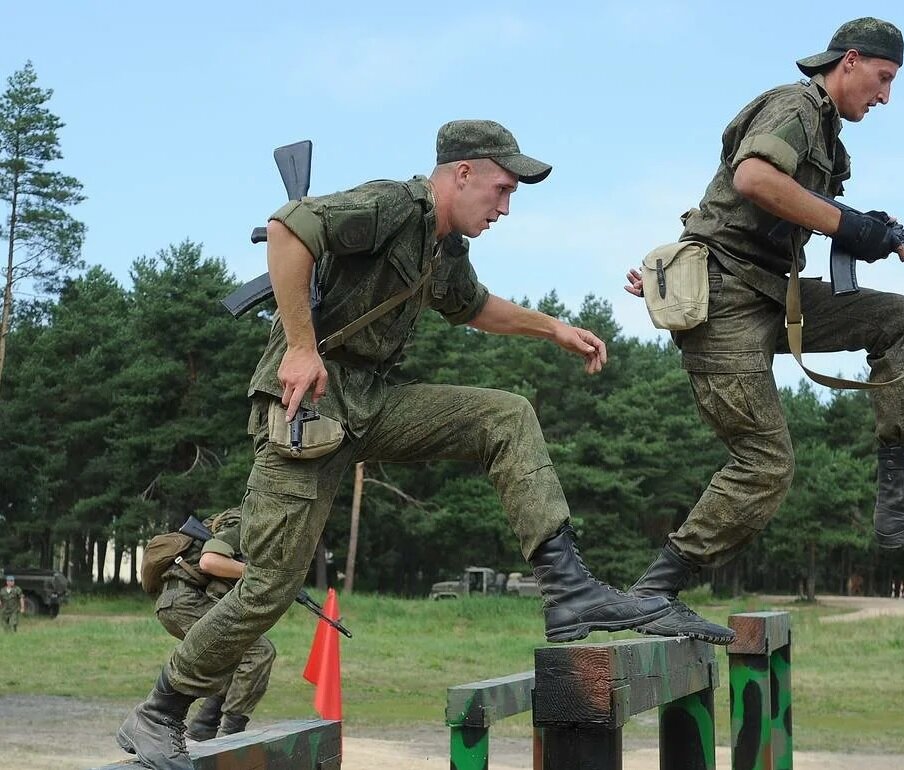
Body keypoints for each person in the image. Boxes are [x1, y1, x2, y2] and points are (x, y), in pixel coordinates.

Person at [117, 119, 670, 769]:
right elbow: (290, 228)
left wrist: (553, 329)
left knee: (507, 416)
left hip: (372, 404)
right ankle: (158, 713)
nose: (505, 207)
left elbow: (472, 306)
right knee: (267, 588)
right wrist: (299, 345)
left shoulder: (445, 247)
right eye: (500, 189)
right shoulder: (390, 205)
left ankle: (568, 585)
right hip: (308, 408)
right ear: (461, 174)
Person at [624, 18, 904, 644]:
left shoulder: (827, 135)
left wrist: (866, 228)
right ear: (849, 62)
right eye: (883, 80)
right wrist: (847, 227)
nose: (885, 98)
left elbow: (798, 210)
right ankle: (654, 592)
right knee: (766, 464)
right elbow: (755, 180)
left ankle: (899, 494)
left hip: (773, 294)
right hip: (726, 302)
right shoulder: (796, 106)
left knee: (903, 320)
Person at [153, 508, 274, 741]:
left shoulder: (247, 522)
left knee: (233, 652)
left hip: (177, 601)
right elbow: (210, 562)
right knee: (259, 651)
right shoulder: (244, 521)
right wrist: (256, 574)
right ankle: (231, 734)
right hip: (185, 601)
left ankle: (203, 727)